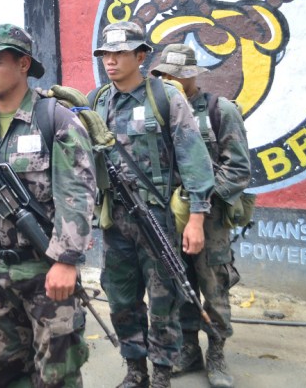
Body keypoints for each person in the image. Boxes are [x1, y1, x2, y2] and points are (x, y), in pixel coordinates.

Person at [0, 24, 98, 386]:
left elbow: (76, 196)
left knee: (56, 374)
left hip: (46, 272)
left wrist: (65, 261)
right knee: (8, 370)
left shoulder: (55, 119)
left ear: (23, 64)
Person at [91, 21, 216, 388]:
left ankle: (161, 373)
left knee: (165, 302)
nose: (110, 61)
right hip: (115, 220)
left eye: (120, 54)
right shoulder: (98, 101)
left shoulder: (166, 97)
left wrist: (196, 219)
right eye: (106, 54)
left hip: (157, 217)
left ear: (141, 56)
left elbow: (194, 160)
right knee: (121, 300)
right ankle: (135, 372)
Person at [152, 43, 248, 388]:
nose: (169, 79)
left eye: (176, 74)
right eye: (164, 74)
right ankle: (188, 348)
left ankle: (217, 352)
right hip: (168, 216)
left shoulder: (220, 110)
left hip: (210, 218)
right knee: (178, 283)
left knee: (214, 284)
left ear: (193, 74)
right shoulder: (157, 110)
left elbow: (238, 169)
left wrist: (198, 200)